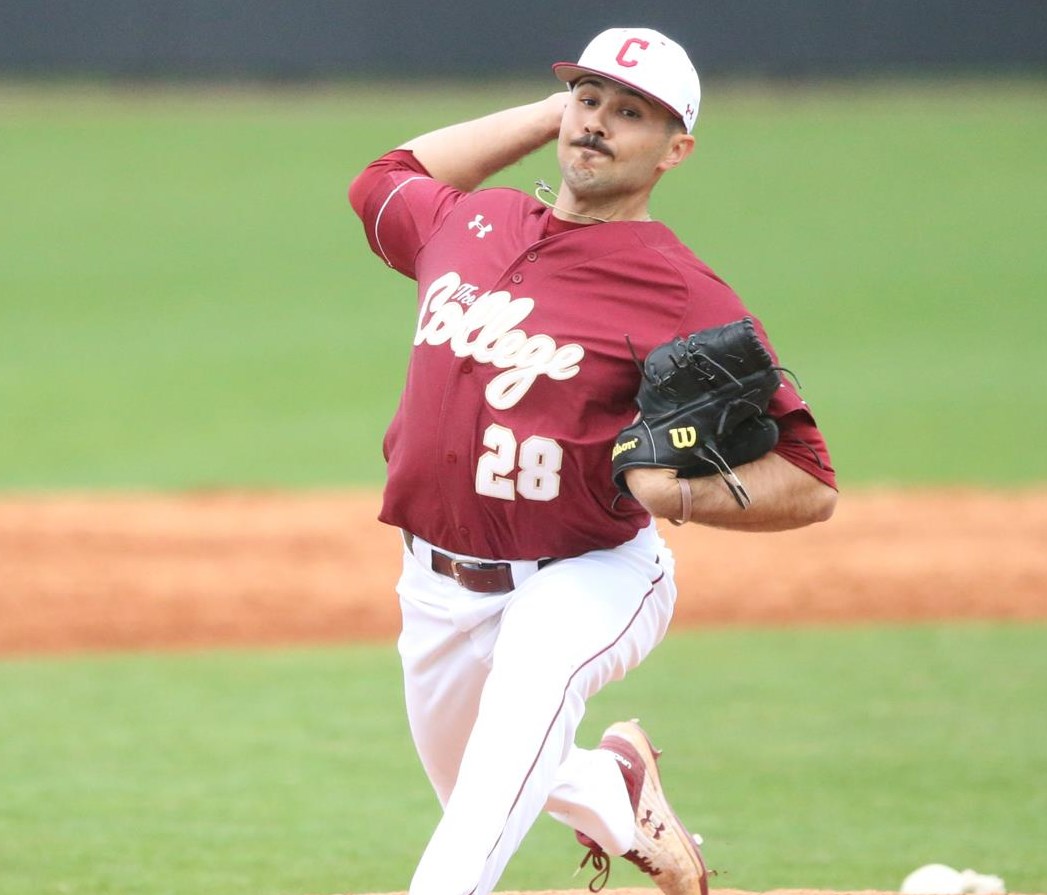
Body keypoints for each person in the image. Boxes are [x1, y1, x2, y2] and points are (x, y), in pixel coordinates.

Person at [345, 27, 837, 895]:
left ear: (675, 150)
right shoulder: (474, 220)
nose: (598, 122)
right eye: (588, 100)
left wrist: (677, 495)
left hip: (582, 574)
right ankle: (615, 790)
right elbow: (383, 180)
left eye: (631, 113)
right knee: (492, 779)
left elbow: (809, 477)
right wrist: (550, 115)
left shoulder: (683, 293)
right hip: (433, 586)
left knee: (481, 810)